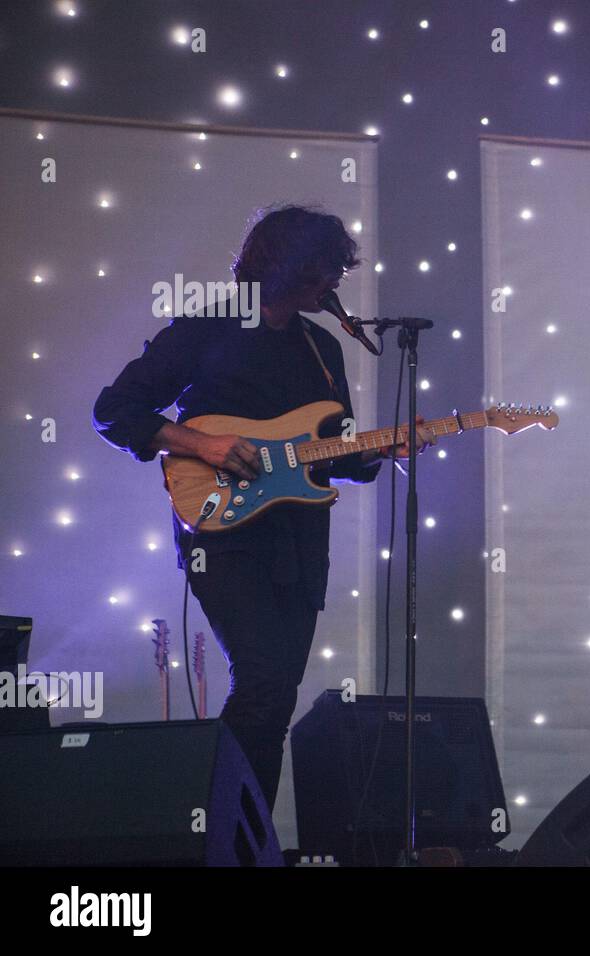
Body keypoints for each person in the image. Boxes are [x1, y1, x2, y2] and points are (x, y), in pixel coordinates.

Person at [93, 205, 426, 809]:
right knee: (265, 682)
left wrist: (384, 448)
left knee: (275, 698)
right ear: (288, 265)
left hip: (299, 543)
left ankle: (250, 840)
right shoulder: (204, 328)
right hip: (225, 537)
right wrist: (202, 443)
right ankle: (217, 829)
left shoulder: (321, 346)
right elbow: (115, 410)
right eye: (325, 267)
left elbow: (334, 451)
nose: (334, 281)